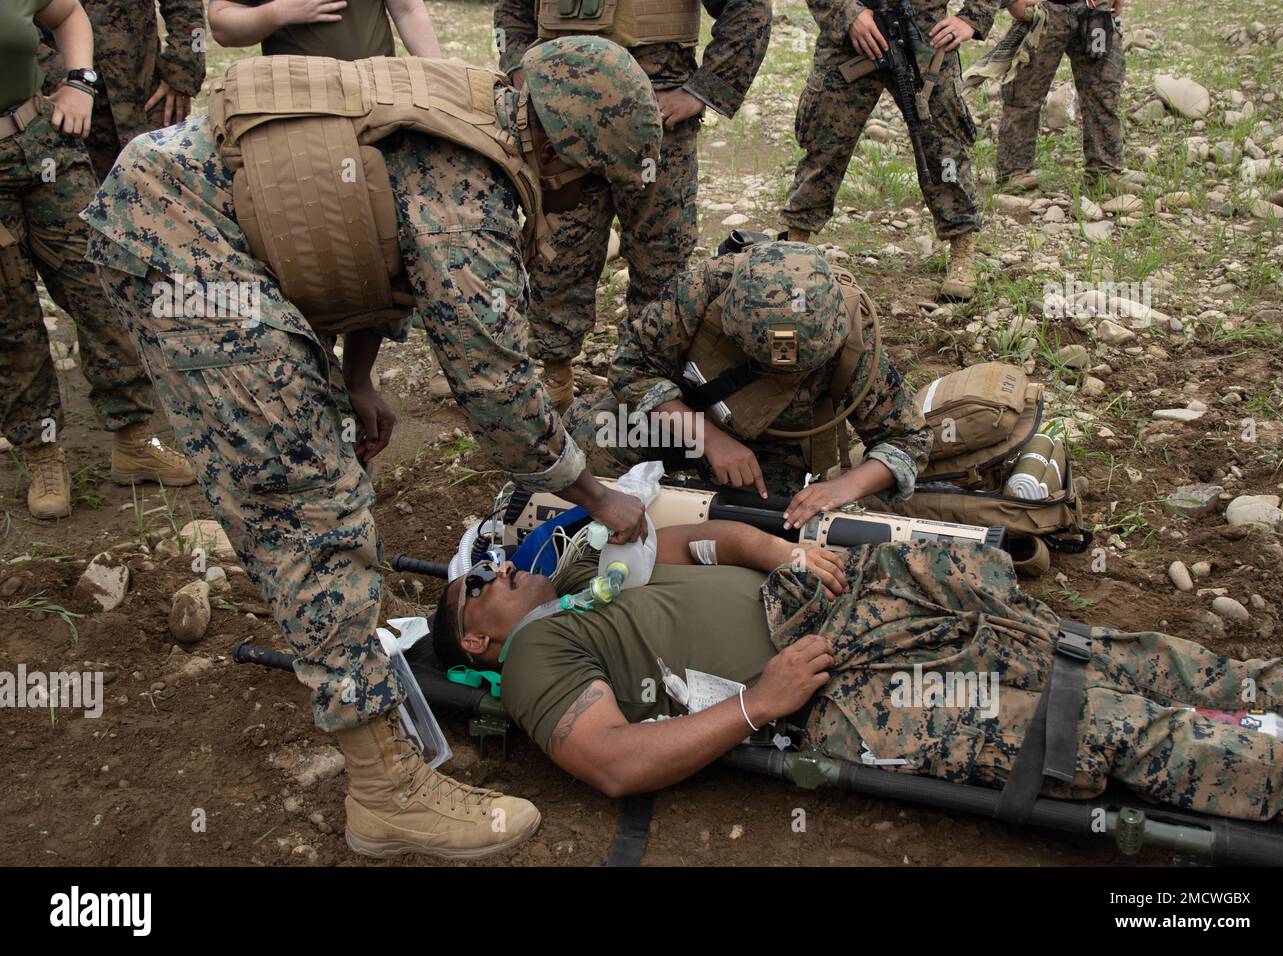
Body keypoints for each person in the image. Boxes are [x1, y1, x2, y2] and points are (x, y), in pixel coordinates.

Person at [82, 37, 663, 858]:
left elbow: (362, 237)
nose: (576, 205)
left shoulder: (468, 109)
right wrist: (597, 496)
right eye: (589, 184)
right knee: (308, 503)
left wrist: (357, 376)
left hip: (195, 216)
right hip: (183, 241)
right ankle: (388, 795)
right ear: (561, 150)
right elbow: (497, 392)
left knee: (322, 460)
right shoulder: (472, 190)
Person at [430, 524, 1283, 823]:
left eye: (495, 561)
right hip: (832, 697)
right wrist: (756, 708)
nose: (503, 569)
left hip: (841, 611)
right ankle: (1276, 773)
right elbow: (614, 763)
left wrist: (783, 550)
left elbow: (714, 541)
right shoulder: (536, 654)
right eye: (485, 585)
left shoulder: (588, 575)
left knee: (1089, 653)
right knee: (1069, 723)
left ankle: (1271, 688)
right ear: (477, 643)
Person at [494, 0, 773, 408]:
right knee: (557, 249)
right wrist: (519, 69)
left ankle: (646, 379)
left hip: (656, 117)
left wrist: (702, 91)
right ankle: (555, 375)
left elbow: (748, 9)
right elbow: (512, 8)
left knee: (660, 255)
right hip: (560, 114)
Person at [565, 241, 932, 528]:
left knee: (769, 522)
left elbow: (907, 440)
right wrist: (709, 439)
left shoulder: (853, 339)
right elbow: (632, 366)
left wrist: (843, 487)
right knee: (591, 441)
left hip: (770, 449)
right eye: (766, 366)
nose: (786, 378)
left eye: (800, 371)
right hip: (678, 413)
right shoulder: (703, 289)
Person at [1, 0, 194, 522]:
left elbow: (67, 14)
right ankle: (41, 453)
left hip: (41, 142)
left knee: (100, 287)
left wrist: (79, 81)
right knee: (11, 315)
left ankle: (133, 439)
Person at [779, 0, 1000, 301]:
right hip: (852, 37)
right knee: (824, 146)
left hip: (925, 36)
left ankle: (963, 251)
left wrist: (973, 17)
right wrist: (846, 13)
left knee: (943, 147)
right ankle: (796, 248)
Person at [38, 0, 207, 181]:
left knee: (161, 195)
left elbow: (186, 7)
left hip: (147, 101)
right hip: (61, 111)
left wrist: (182, 67)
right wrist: (55, 76)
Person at [991, 0, 1138, 195]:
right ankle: (1013, 175)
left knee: (1104, 92)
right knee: (1024, 92)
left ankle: (1105, 172)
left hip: (1094, 7)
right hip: (1044, 7)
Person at [208, 0, 443, 59]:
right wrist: (279, 11)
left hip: (376, 99)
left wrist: (440, 78)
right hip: (296, 106)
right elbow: (222, 26)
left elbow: (408, 11)